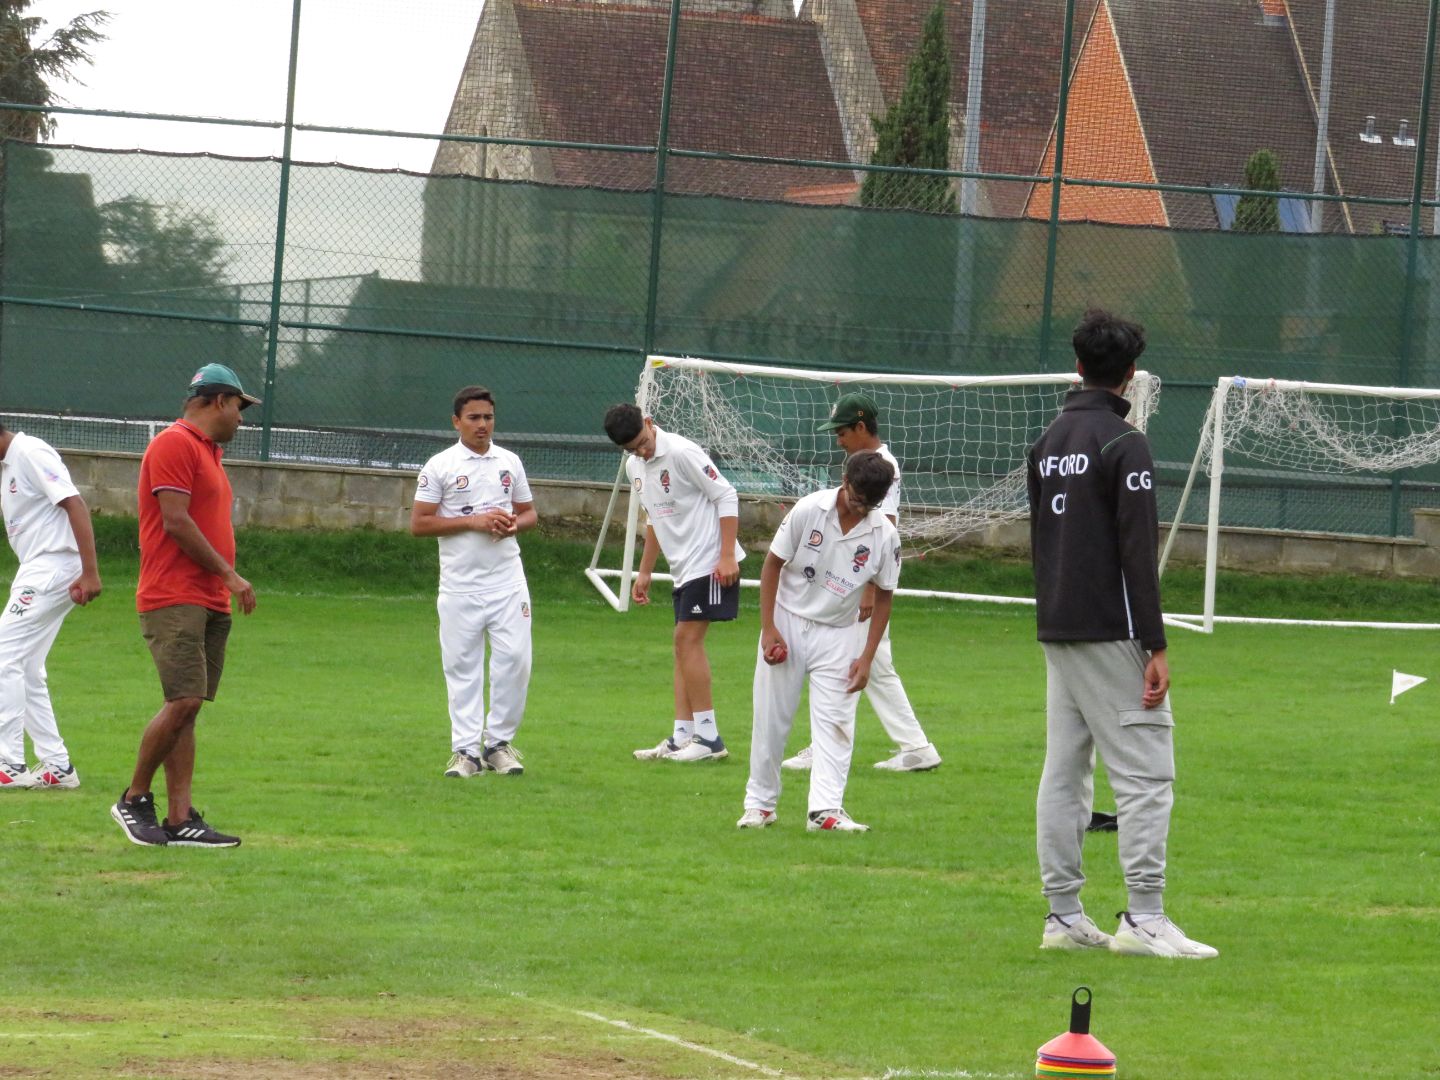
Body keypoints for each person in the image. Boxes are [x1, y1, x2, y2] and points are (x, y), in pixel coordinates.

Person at [1026, 309, 1216, 959]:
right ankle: (1143, 917)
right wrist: (1155, 643)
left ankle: (1064, 916)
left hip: (1058, 624)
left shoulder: (1049, 438)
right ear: (1131, 373)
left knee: (1065, 771)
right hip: (1111, 629)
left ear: (1079, 365)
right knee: (1145, 774)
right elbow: (1138, 551)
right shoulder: (1124, 441)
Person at [111, 363, 259, 848]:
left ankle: (180, 819)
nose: (242, 418)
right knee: (184, 700)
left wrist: (221, 584)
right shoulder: (174, 443)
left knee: (190, 707)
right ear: (218, 401)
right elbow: (174, 521)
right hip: (173, 594)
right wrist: (230, 575)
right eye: (240, 407)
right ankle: (133, 798)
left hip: (207, 597)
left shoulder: (208, 452)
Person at [739, 450, 901, 832]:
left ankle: (825, 811)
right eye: (858, 500)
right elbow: (772, 565)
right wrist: (768, 629)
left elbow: (884, 595)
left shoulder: (884, 535)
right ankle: (759, 805)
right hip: (788, 619)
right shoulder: (809, 509)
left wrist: (866, 656)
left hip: (840, 631)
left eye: (871, 505)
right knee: (771, 718)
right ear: (845, 483)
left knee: (836, 722)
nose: (862, 510)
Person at [781, 393, 941, 774]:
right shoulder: (864, 462)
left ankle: (828, 745)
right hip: (850, 584)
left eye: (842, 431)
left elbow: (883, 529)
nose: (838, 439)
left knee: (849, 663)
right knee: (875, 665)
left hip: (856, 586)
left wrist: (869, 588)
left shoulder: (880, 466)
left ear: (861, 427)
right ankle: (916, 747)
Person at [603, 404, 743, 763]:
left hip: (709, 562)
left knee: (687, 640)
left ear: (649, 423)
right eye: (632, 449)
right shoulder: (636, 466)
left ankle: (710, 739)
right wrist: (645, 570)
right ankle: (683, 735)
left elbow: (726, 495)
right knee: (681, 646)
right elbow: (654, 518)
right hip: (682, 568)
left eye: (642, 442)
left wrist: (726, 555)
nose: (641, 451)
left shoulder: (682, 452)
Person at [412, 386, 536, 778]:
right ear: (456, 422)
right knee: (462, 667)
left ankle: (498, 744)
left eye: (488, 417)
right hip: (460, 587)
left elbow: (530, 513)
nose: (483, 425)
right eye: (474, 418)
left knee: (515, 661)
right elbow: (420, 523)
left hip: (507, 582)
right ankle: (466, 752)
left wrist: (513, 524)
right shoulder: (440, 465)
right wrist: (474, 521)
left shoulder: (510, 462)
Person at [0, 424, 102, 790]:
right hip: (40, 567)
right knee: (26, 665)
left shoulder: (29, 452)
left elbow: (74, 503)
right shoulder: (8, 463)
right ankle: (57, 767)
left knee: (3, 653)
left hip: (53, 565)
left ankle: (7, 763)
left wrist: (90, 572)